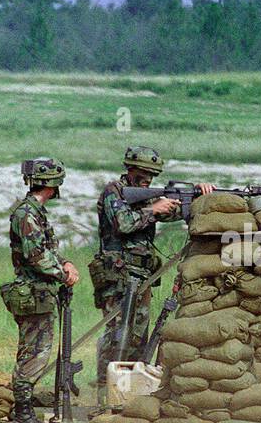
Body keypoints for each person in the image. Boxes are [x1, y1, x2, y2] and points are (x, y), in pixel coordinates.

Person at [89, 146, 213, 403]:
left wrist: (200, 195)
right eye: (144, 173)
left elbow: (177, 212)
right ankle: (104, 391)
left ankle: (127, 391)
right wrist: (153, 210)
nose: (148, 179)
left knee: (137, 336)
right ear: (130, 169)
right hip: (118, 275)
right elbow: (122, 223)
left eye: (152, 175)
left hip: (141, 276)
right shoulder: (115, 192)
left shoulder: (146, 197)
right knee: (117, 335)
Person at [0, 158, 79, 423]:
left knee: (38, 351)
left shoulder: (35, 213)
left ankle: (22, 411)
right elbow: (36, 257)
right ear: (53, 185)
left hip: (41, 293)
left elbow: (47, 250)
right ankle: (22, 415)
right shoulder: (27, 214)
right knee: (34, 353)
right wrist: (62, 273)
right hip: (33, 293)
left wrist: (64, 262)